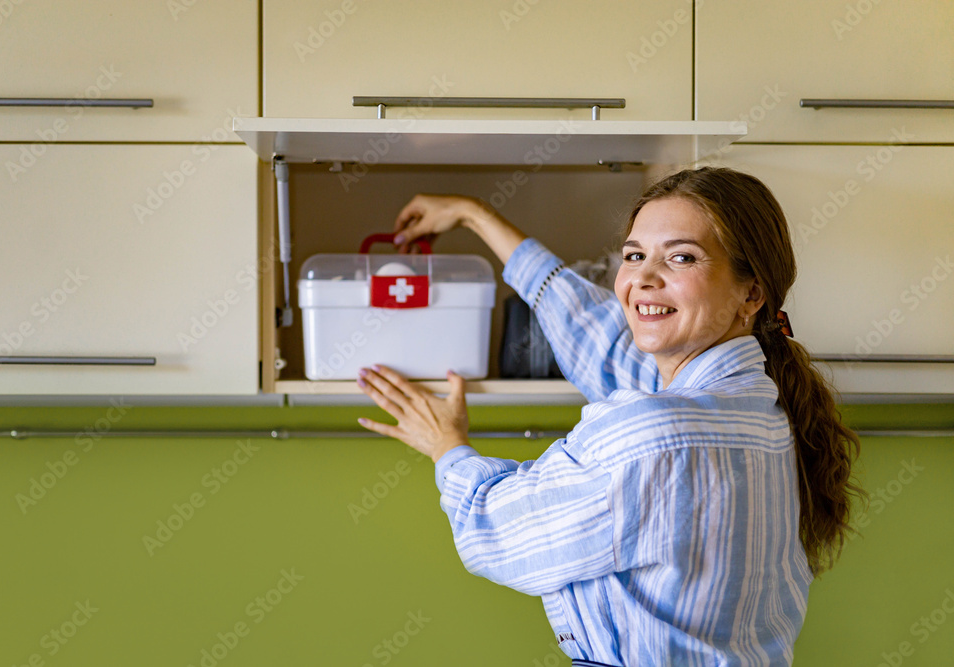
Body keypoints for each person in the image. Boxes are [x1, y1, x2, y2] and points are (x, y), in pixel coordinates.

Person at [354, 167, 865, 666]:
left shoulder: (653, 433)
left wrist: (449, 448)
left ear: (750, 293)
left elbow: (496, 531)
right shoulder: (760, 402)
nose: (643, 278)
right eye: (634, 255)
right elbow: (596, 335)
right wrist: (475, 215)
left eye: (682, 258)